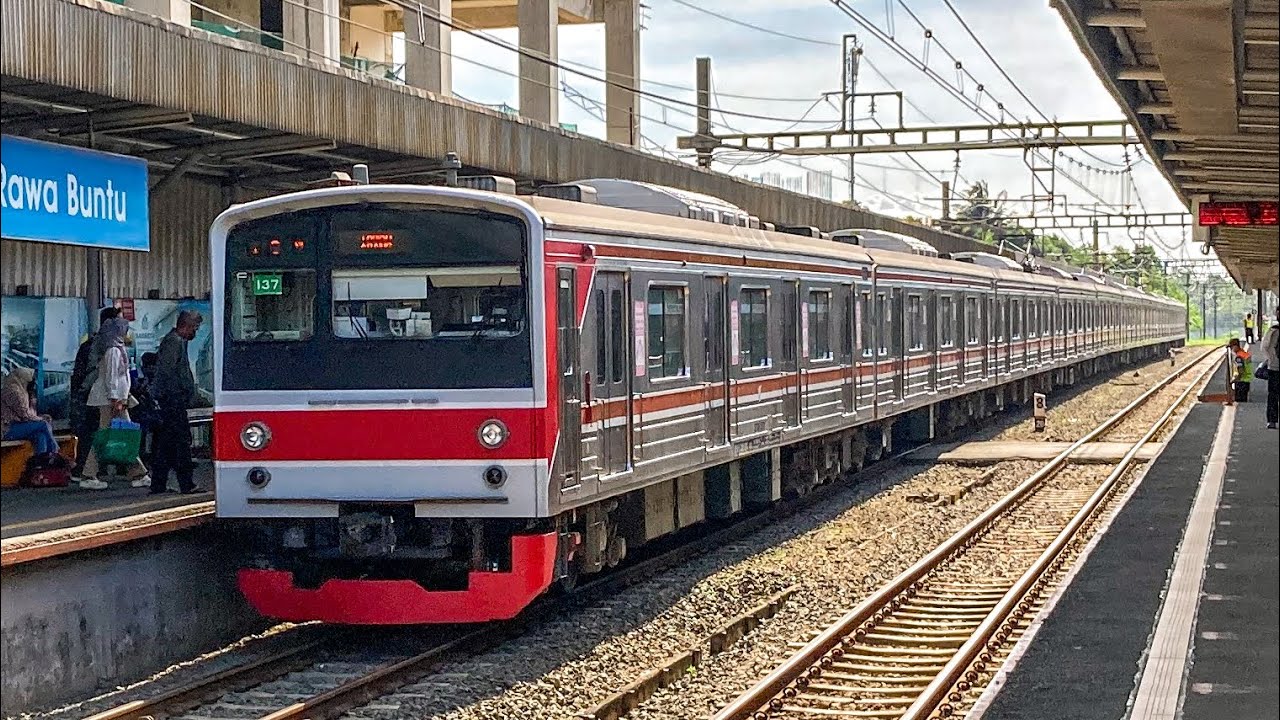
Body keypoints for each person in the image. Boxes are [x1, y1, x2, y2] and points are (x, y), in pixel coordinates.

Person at [76, 317, 151, 490]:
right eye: (124, 329)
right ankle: (136, 473)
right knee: (121, 435)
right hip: (111, 401)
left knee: (117, 435)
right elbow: (111, 378)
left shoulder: (116, 348)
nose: (126, 332)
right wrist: (115, 399)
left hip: (115, 400)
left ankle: (136, 473)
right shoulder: (113, 351)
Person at [150, 310, 203, 495]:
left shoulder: (176, 342)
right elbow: (168, 372)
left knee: (166, 444)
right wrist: (179, 394)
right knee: (180, 443)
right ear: (186, 326)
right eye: (195, 327)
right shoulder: (174, 342)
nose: (195, 331)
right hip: (172, 400)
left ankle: (159, 484)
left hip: (172, 399)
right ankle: (186, 483)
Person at [70, 307, 122, 476]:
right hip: (96, 395)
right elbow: (108, 374)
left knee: (95, 431)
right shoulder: (106, 345)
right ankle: (87, 471)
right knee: (95, 432)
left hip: (92, 393)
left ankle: (88, 470)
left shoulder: (92, 343)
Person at [2, 367, 59, 457]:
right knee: (43, 424)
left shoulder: (23, 392)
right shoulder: (12, 391)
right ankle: (56, 452)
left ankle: (42, 462)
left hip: (19, 425)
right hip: (8, 429)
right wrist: (40, 419)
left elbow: (30, 414)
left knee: (40, 435)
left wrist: (32, 402)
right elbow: (24, 414)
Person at [1262, 310, 1279, 430]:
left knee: (1272, 394)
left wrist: (1270, 359)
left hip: (1274, 367)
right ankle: (1272, 420)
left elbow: (1264, 347)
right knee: (1272, 395)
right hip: (1274, 366)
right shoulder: (1274, 330)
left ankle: (1272, 421)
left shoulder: (1273, 330)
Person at [1227, 337, 1253, 403]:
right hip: (1246, 380)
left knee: (1240, 402)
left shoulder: (1239, 357)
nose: (1231, 349)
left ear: (1236, 346)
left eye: (1231, 347)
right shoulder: (1244, 354)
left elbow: (1240, 371)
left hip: (1241, 381)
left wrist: (1233, 380)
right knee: (1244, 400)